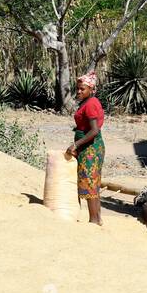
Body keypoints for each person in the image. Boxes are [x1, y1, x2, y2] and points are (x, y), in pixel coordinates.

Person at [66, 72, 105, 226]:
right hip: (88, 147)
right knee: (92, 182)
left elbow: (94, 130)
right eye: (77, 88)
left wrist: (76, 144)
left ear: (91, 89)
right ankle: (97, 218)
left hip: (91, 148)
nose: (79, 91)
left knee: (90, 183)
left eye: (82, 89)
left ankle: (94, 220)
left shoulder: (91, 104)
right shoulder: (86, 102)